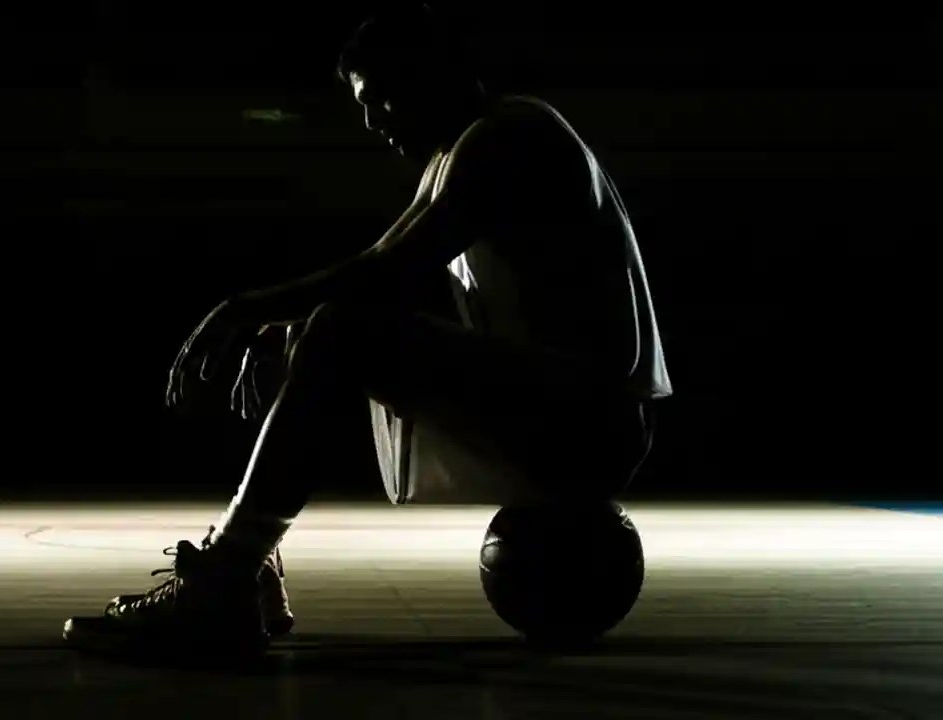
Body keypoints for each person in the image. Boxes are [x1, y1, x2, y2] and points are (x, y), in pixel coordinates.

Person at [64, 5, 672, 655]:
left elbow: (387, 270)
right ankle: (250, 572)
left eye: (379, 97)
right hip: (556, 407)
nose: (371, 120)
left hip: (591, 423)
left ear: (434, 76)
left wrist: (247, 307)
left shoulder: (511, 137)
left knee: (341, 331)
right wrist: (286, 329)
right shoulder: (459, 151)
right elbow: (377, 270)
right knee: (316, 333)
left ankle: (225, 575)